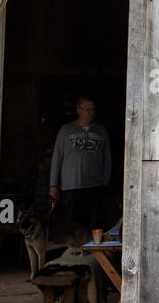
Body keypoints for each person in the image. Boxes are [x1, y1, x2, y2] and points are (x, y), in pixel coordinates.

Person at [48, 96, 113, 232]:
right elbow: (57, 157)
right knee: (72, 226)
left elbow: (107, 158)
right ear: (78, 110)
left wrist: (105, 180)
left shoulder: (101, 131)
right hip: (71, 186)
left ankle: (92, 253)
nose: (90, 113)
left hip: (94, 185)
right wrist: (53, 184)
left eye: (92, 109)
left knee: (94, 225)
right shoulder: (66, 130)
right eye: (87, 109)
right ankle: (74, 253)